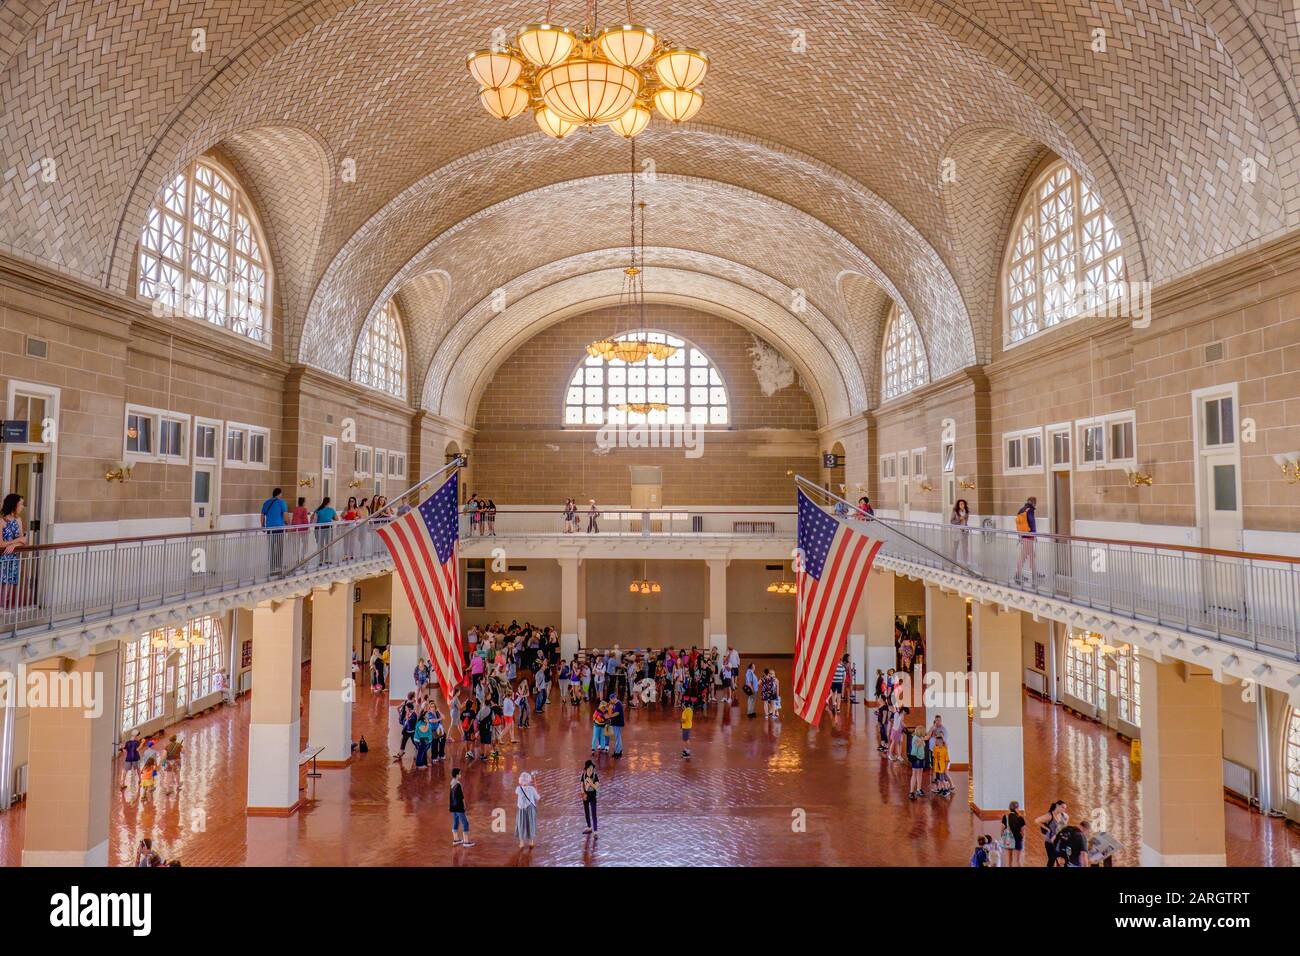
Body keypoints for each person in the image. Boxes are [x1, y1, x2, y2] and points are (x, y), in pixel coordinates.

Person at [0, 494, 27, 608]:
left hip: (13, 558)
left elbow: (24, 540)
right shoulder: (1, 521)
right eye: (20, 504)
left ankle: (2, 609)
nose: (22, 506)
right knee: (2, 585)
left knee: (9, 586)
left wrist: (14, 545)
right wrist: (17, 541)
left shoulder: (18, 520)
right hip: (3, 558)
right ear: (13, 505)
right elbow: (1, 544)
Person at [260, 487, 288, 572]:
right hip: (279, 527)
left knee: (271, 547)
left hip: (269, 528)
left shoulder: (267, 502)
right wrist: (287, 525)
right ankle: (278, 565)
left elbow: (262, 515)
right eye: (281, 493)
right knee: (279, 547)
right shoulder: (281, 502)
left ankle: (272, 565)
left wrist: (263, 526)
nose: (281, 495)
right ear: (279, 494)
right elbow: (285, 515)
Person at [1013, 496, 1040, 584]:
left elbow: (1019, 524)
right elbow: (1032, 522)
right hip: (1029, 536)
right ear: (1033, 502)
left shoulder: (1021, 510)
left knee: (1031, 555)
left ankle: (1034, 574)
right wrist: (1034, 534)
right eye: (1035, 502)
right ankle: (1017, 575)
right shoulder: (1030, 510)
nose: (1035, 504)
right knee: (1024, 556)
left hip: (1023, 536)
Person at [1035, 800, 1069, 868]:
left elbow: (1065, 827)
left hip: (1060, 842)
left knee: (1064, 860)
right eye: (1062, 807)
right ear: (1057, 806)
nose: (1064, 809)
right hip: (1050, 842)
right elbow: (1037, 820)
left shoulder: (1065, 816)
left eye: (1065, 808)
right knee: (1052, 860)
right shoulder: (1049, 815)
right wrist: (1047, 829)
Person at [449, 768, 474, 847]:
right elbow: (461, 797)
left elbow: (451, 797)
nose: (460, 775)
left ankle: (456, 840)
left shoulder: (451, 783)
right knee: (465, 823)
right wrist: (464, 805)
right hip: (459, 807)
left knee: (456, 821)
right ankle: (466, 842)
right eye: (459, 773)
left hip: (453, 807)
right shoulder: (458, 784)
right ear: (457, 775)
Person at [515, 771, 540, 849]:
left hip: (521, 810)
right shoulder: (532, 789)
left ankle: (521, 843)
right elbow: (538, 798)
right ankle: (531, 842)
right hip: (530, 809)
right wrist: (536, 792)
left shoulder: (518, 789)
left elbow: (517, 793)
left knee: (521, 824)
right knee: (530, 824)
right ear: (529, 780)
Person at [312, 497, 337, 565]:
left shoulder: (318, 510)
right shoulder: (331, 510)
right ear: (329, 502)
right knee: (328, 544)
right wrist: (330, 518)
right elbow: (336, 518)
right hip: (328, 528)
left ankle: (320, 560)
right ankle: (327, 559)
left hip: (318, 528)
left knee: (320, 545)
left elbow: (313, 520)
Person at [1001, 801, 1026, 866]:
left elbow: (1002, 830)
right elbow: (1023, 832)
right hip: (1018, 839)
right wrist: (1021, 839)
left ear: (1010, 808)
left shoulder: (1005, 817)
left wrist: (1004, 837)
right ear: (1016, 808)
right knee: (1018, 860)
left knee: (1009, 859)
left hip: (1008, 839)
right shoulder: (1020, 818)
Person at [580, 760, 600, 835]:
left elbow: (597, 787)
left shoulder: (595, 776)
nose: (591, 770)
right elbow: (581, 785)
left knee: (594, 813)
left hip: (592, 797)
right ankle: (589, 827)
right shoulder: (583, 775)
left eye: (592, 768)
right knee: (586, 812)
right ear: (586, 769)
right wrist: (583, 793)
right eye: (590, 768)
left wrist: (591, 783)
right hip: (586, 796)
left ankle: (595, 831)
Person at [950, 498, 971, 564]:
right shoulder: (955, 511)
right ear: (958, 505)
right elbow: (952, 521)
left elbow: (966, 521)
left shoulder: (966, 512)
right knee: (955, 547)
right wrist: (959, 519)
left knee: (965, 548)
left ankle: (965, 562)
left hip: (964, 531)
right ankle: (954, 561)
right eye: (960, 504)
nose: (962, 505)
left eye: (963, 504)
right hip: (957, 531)